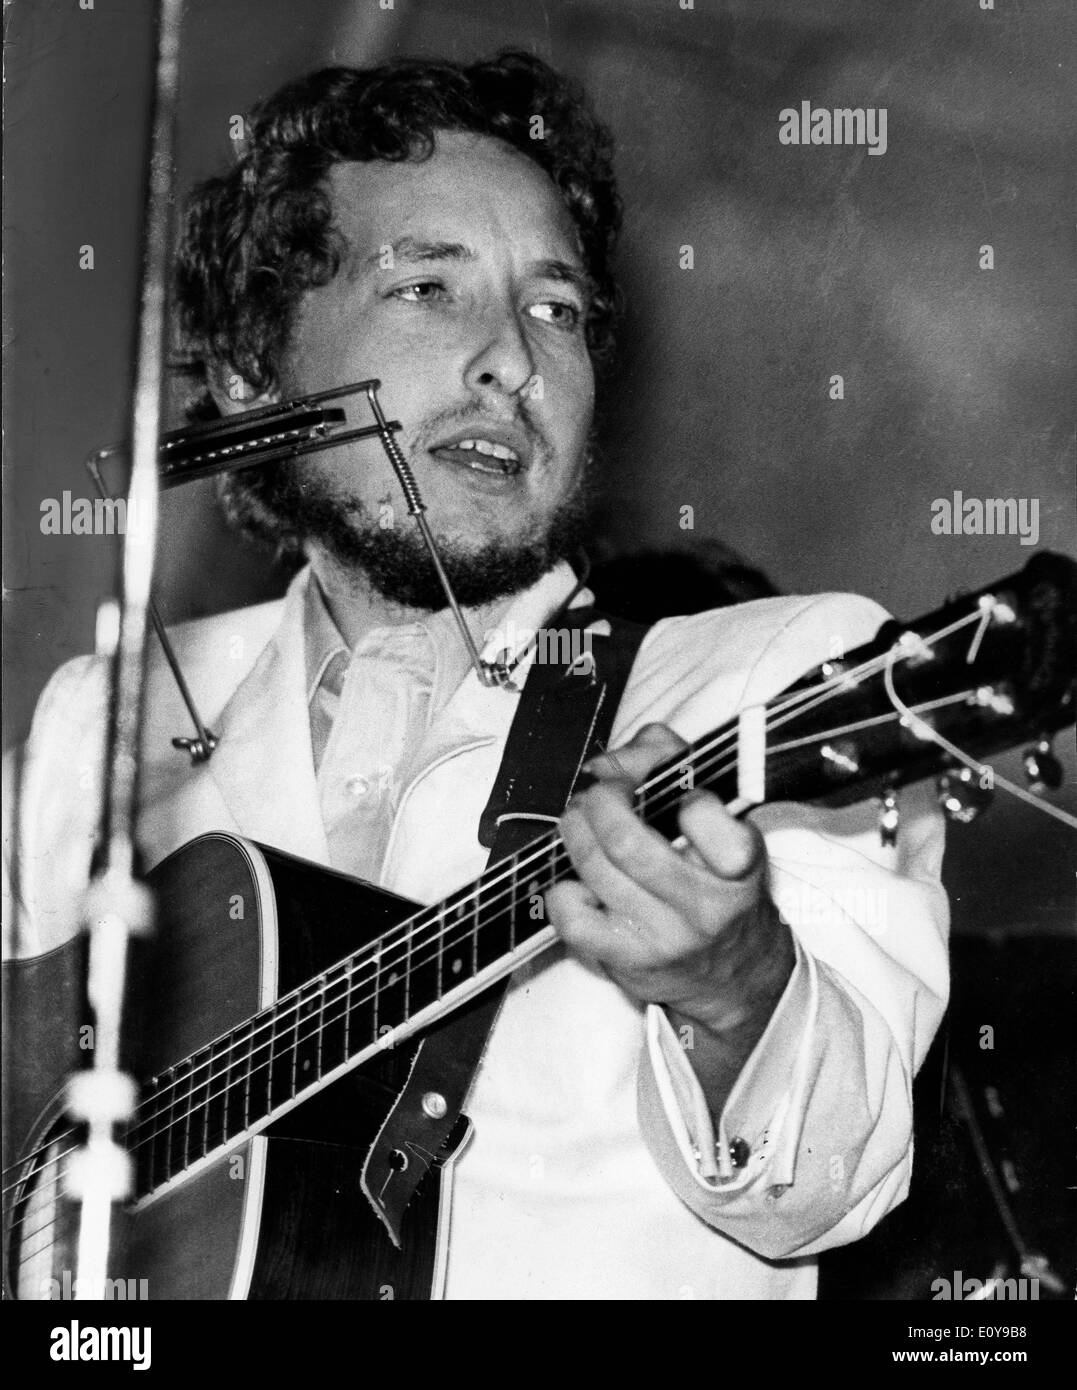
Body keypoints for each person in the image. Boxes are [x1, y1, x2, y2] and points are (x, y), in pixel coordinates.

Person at [2, 52, 948, 1300]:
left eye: (554, 309)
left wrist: (739, 989)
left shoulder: (775, 680)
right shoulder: (108, 719)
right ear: (249, 376)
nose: (510, 358)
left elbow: (837, 1173)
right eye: (428, 288)